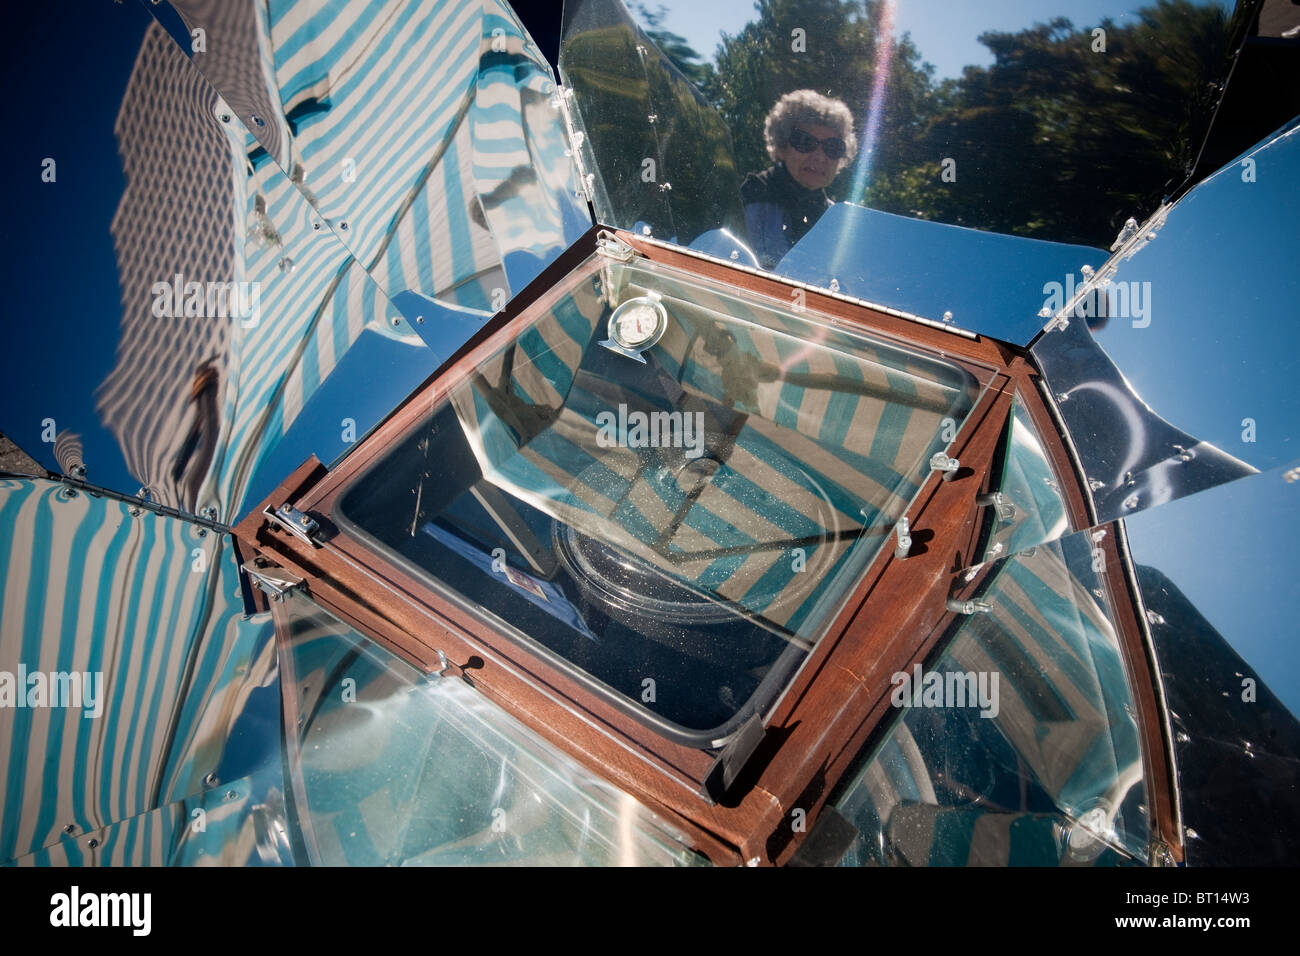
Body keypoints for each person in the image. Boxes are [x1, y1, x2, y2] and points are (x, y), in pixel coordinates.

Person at [740, 90, 858, 270]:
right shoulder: (748, 199)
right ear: (781, 146)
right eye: (805, 142)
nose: (820, 157)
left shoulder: (838, 221)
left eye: (833, 148)